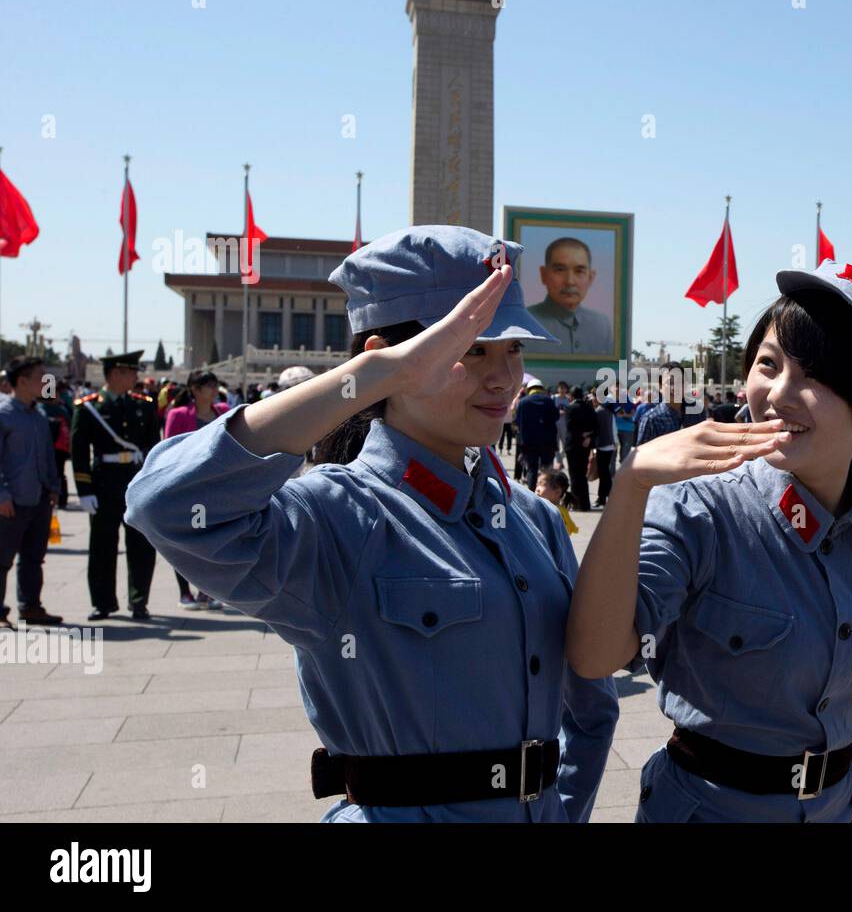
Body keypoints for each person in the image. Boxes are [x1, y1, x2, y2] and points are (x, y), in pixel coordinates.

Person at [125, 225, 617, 821]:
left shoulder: (532, 520)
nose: (504, 377)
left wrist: (563, 810)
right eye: (470, 351)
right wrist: (371, 379)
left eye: (512, 349)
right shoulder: (336, 516)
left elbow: (591, 708)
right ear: (385, 359)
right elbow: (166, 507)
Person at [566, 259, 852, 823]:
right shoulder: (699, 507)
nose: (778, 394)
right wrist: (632, 486)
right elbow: (595, 655)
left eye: (814, 376)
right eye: (768, 364)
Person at [72, 350, 160, 621]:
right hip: (104, 482)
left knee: (141, 545)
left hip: (135, 481)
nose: (136, 376)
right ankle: (103, 602)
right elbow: (79, 452)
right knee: (102, 546)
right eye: (130, 371)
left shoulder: (143, 404)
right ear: (114, 374)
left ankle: (138, 601)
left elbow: (153, 446)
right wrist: (84, 491)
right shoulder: (89, 407)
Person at [0, 358, 63, 627]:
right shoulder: (4, 415)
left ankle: (30, 607)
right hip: (11, 500)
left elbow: (48, 456)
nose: (45, 381)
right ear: (22, 381)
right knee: (2, 559)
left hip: (38, 498)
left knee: (33, 558)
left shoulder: (38, 415)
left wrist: (54, 486)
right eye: (40, 376)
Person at [162, 370, 230, 609]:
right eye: (208, 386)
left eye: (215, 385)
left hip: (216, 487)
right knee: (186, 542)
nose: (214, 390)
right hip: (189, 487)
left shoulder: (222, 412)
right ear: (194, 389)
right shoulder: (179, 415)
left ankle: (209, 592)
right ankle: (185, 592)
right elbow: (170, 451)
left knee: (213, 541)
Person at [526, 237, 614, 355]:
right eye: (560, 270)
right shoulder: (524, 323)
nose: (570, 281)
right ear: (544, 274)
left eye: (579, 271)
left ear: (591, 278)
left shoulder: (602, 326)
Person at [635, 362, 705, 446]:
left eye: (679, 382)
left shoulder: (697, 412)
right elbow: (643, 455)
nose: (674, 387)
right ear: (660, 386)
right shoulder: (651, 420)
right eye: (669, 382)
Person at [515, 381, 559, 490]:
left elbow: (518, 422)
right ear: (541, 388)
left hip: (529, 442)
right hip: (548, 441)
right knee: (547, 470)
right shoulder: (549, 401)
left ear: (529, 389)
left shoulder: (523, 402)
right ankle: (547, 494)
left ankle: (531, 494)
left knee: (531, 469)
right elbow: (556, 417)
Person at [564, 387, 597, 512]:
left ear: (571, 396)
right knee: (583, 474)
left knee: (574, 475)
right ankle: (585, 504)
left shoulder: (570, 408)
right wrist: (588, 437)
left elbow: (570, 427)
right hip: (585, 445)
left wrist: (581, 435)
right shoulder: (589, 408)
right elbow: (596, 426)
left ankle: (575, 503)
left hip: (573, 445)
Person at [536, 468, 579, 536]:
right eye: (537, 485)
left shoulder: (556, 512)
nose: (537, 489)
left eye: (542, 485)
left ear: (557, 491)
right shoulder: (542, 507)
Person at [593, 395, 617, 508]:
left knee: (604, 474)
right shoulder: (609, 412)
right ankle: (606, 496)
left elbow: (595, 430)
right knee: (605, 473)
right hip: (610, 445)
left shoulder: (599, 411)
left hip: (602, 445)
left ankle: (605, 497)